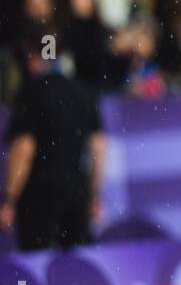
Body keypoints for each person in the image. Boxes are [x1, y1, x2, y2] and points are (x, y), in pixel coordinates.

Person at [1, 24, 105, 251]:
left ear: (31, 54)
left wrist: (9, 200)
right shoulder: (83, 92)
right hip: (76, 195)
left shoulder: (30, 94)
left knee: (37, 276)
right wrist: (94, 194)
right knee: (77, 274)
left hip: (38, 200)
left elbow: (23, 150)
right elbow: (98, 148)